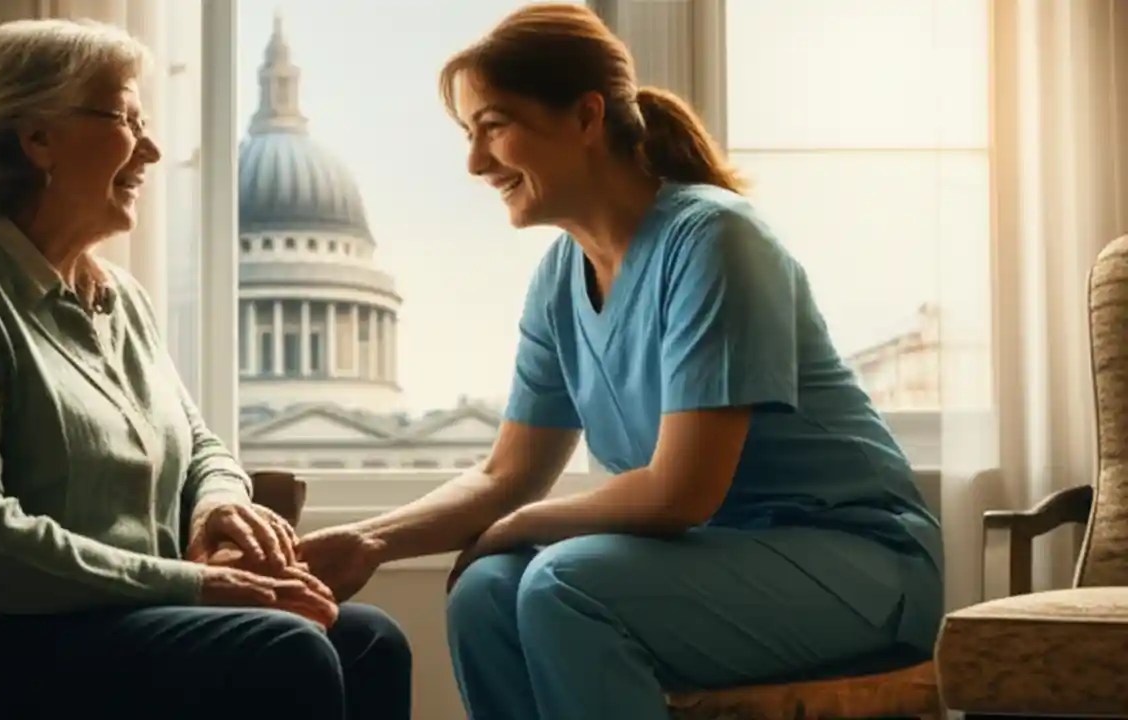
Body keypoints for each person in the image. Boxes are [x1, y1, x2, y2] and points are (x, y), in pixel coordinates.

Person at [296, 4, 944, 719]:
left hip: (860, 566)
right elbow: (504, 475)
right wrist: (368, 541)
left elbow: (679, 493)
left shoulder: (714, 241)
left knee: (563, 583)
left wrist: (515, 528)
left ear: (585, 117)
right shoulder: (556, 281)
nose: (475, 164)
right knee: (485, 595)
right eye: (468, 136)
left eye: (494, 127)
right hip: (714, 562)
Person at [0, 18, 409, 719]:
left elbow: (201, 446)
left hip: (119, 616)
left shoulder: (120, 297)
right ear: (36, 136)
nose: (151, 147)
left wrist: (220, 506)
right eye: (125, 118)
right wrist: (195, 584)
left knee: (371, 641)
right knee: (281, 649)